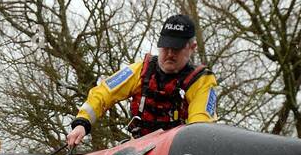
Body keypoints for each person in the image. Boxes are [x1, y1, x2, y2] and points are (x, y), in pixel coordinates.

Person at [65, 13, 218, 147]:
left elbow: (200, 125)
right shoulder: (140, 71)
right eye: (166, 47)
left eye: (176, 48)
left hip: (175, 153)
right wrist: (82, 123)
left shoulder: (201, 81)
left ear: (192, 47)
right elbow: (104, 92)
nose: (170, 53)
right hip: (138, 148)